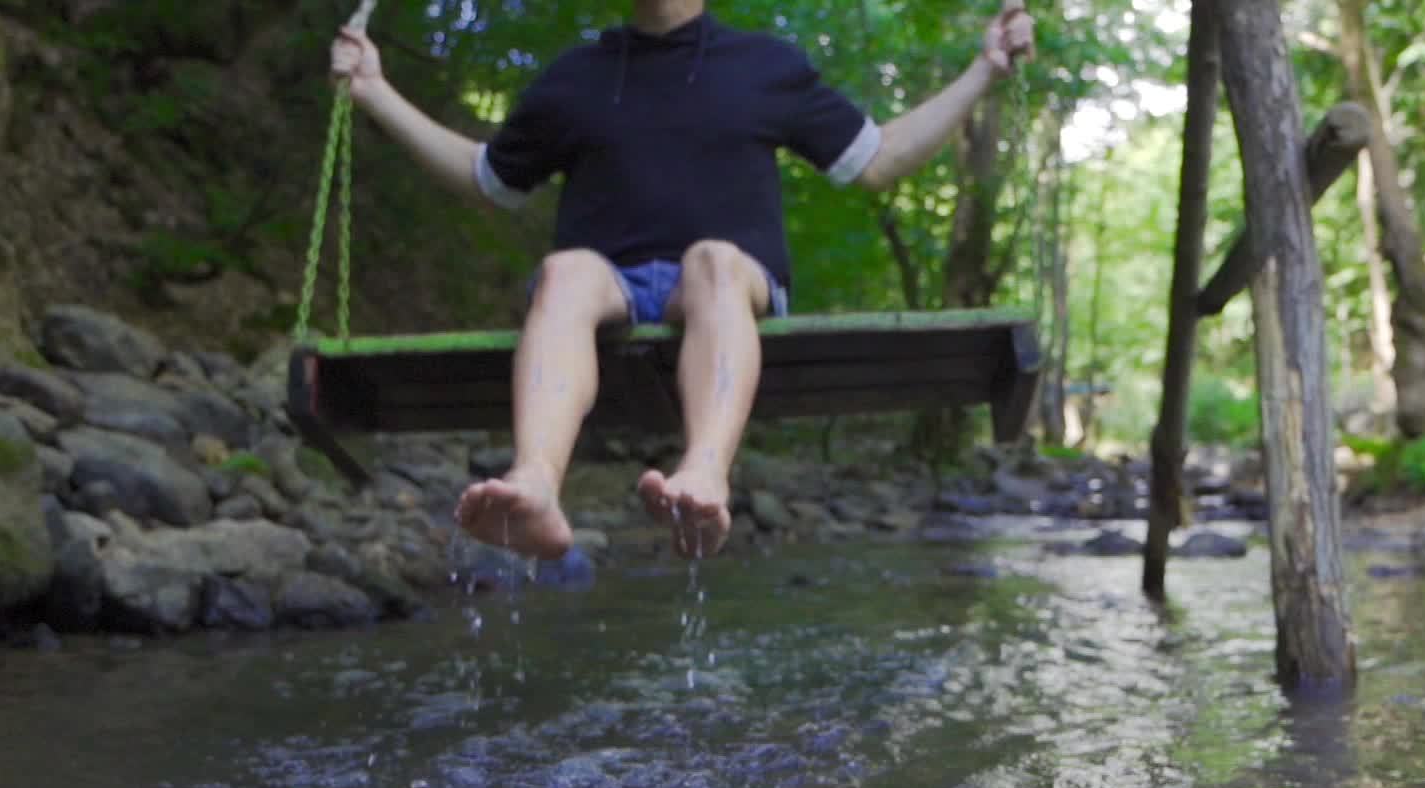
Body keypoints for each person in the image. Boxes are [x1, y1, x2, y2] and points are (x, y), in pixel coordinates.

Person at [330, 0, 1036, 559]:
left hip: (730, 286)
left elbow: (877, 159)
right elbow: (488, 181)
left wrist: (985, 71)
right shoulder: (575, 78)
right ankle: (536, 483)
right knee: (564, 272)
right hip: (607, 287)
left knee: (713, 262)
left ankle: (703, 474)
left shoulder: (764, 65)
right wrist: (374, 91)